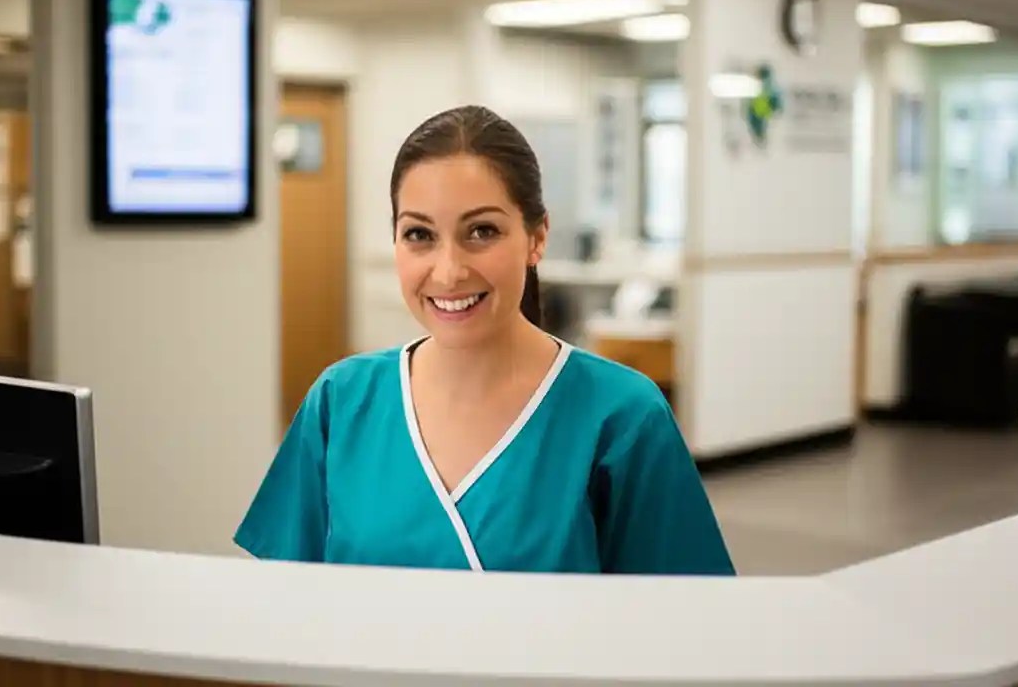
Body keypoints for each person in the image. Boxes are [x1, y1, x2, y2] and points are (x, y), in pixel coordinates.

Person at [235, 105, 734, 575]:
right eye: (419, 235)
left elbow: (682, 616)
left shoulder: (623, 415)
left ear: (537, 237)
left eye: (481, 231)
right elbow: (287, 597)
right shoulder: (342, 401)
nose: (448, 272)